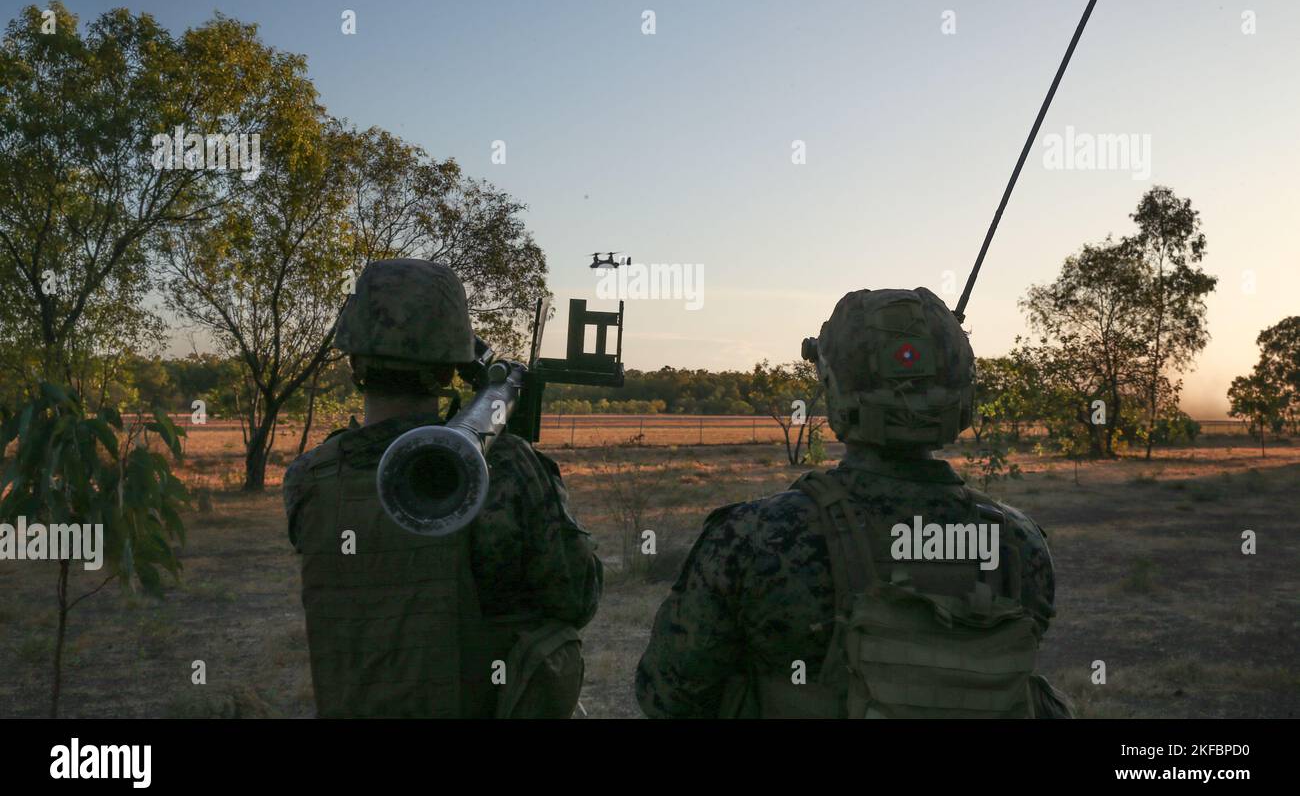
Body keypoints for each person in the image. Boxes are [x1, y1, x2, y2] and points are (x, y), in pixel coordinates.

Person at [636, 287, 1073, 718]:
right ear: (962, 393)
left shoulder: (753, 538)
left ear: (836, 391)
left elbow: (669, 696)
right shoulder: (1018, 542)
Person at [283, 258, 602, 717]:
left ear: (355, 362)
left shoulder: (308, 477)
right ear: (451, 368)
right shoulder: (503, 467)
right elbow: (577, 597)